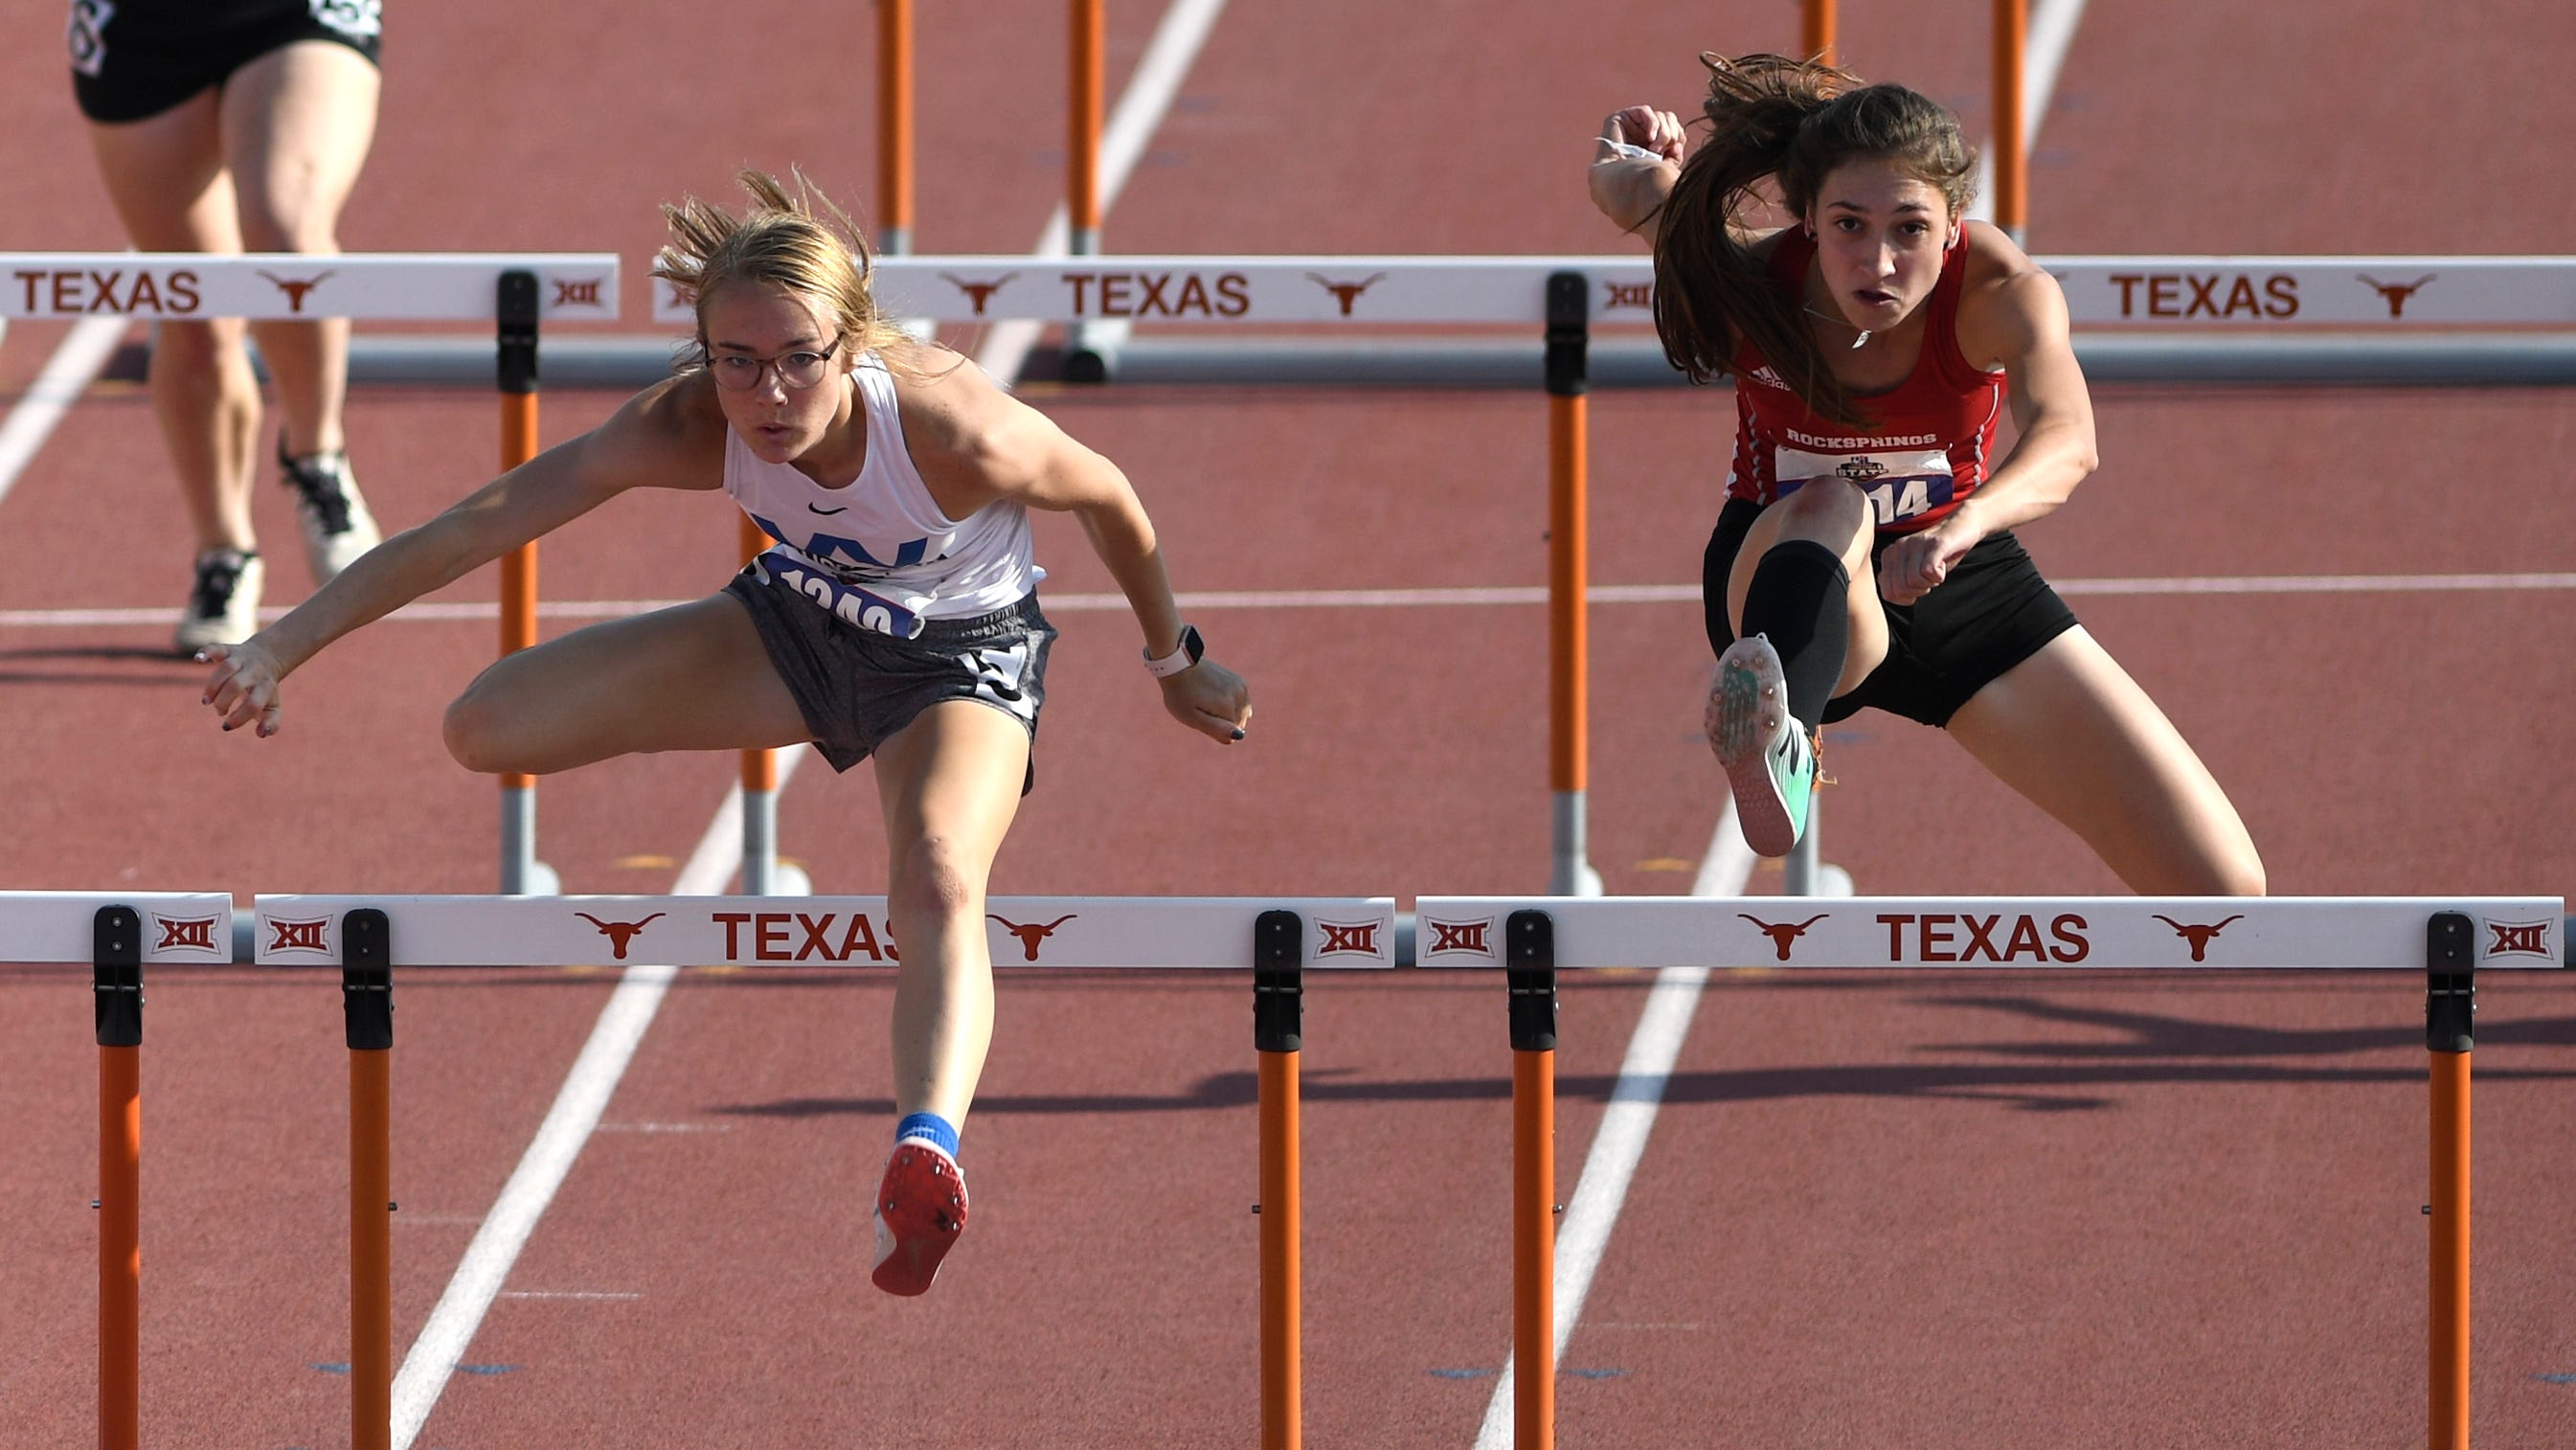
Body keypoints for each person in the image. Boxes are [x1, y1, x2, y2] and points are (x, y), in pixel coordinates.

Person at [198, 170, 1256, 1295]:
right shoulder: (693, 422)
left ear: (852, 340)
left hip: (960, 658)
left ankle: (926, 1150)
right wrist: (282, 644)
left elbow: (1109, 497)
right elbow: (475, 526)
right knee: (486, 723)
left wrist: (1173, 660)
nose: (768, 392)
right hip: (797, 626)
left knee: (939, 873)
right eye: (736, 360)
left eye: (798, 357)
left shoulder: (952, 427)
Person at [1587, 53, 2262, 895]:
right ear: (1808, 221)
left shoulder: (1999, 291)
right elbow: (1634, 195)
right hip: (1784, 584)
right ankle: (1779, 734)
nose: (1877, 263)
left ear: (1951, 227)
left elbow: (2069, 439)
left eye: (1909, 229)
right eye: (1849, 226)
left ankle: (1793, 710)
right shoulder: (1749, 282)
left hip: (1956, 574)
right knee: (1834, 502)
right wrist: (1632, 165)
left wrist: (1961, 528)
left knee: (2225, 890)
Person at [68, 0, 386, 654]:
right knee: (195, 312)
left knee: (286, 231)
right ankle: (224, 552)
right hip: (141, 27)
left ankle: (316, 459)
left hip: (292, 14)